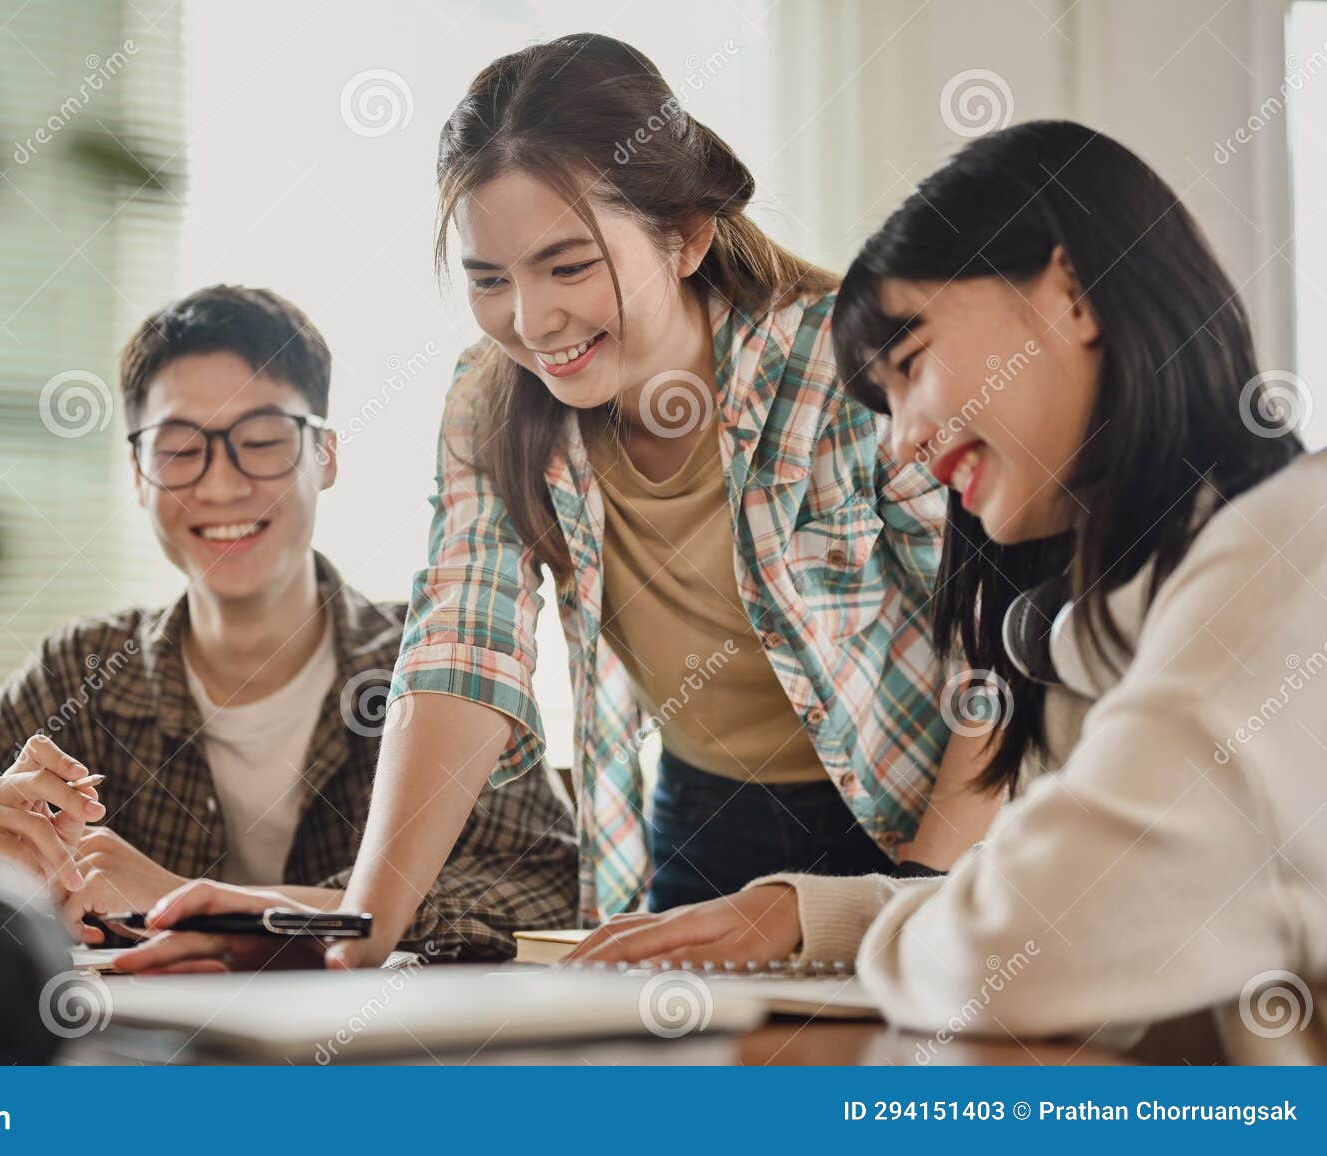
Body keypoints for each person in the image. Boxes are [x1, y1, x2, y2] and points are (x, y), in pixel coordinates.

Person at [118, 33, 997, 976]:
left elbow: (998, 673)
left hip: (934, 806)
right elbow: (462, 647)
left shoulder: (847, 369)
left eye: (568, 267)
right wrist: (358, 925)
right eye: (490, 280)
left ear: (686, 234)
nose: (531, 322)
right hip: (709, 817)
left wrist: (916, 900)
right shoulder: (488, 402)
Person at [565, 121, 1327, 1063]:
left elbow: (1027, 950)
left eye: (912, 364)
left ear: (1071, 292)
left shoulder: (1292, 551)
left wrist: (883, 935)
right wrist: (821, 915)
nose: (899, 442)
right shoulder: (1111, 618)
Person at [0, 285, 578, 961]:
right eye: (179, 449)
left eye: (261, 441)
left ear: (324, 455)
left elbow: (548, 892)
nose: (221, 485)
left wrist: (182, 902)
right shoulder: (84, 673)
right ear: (137, 475)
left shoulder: (425, 674)